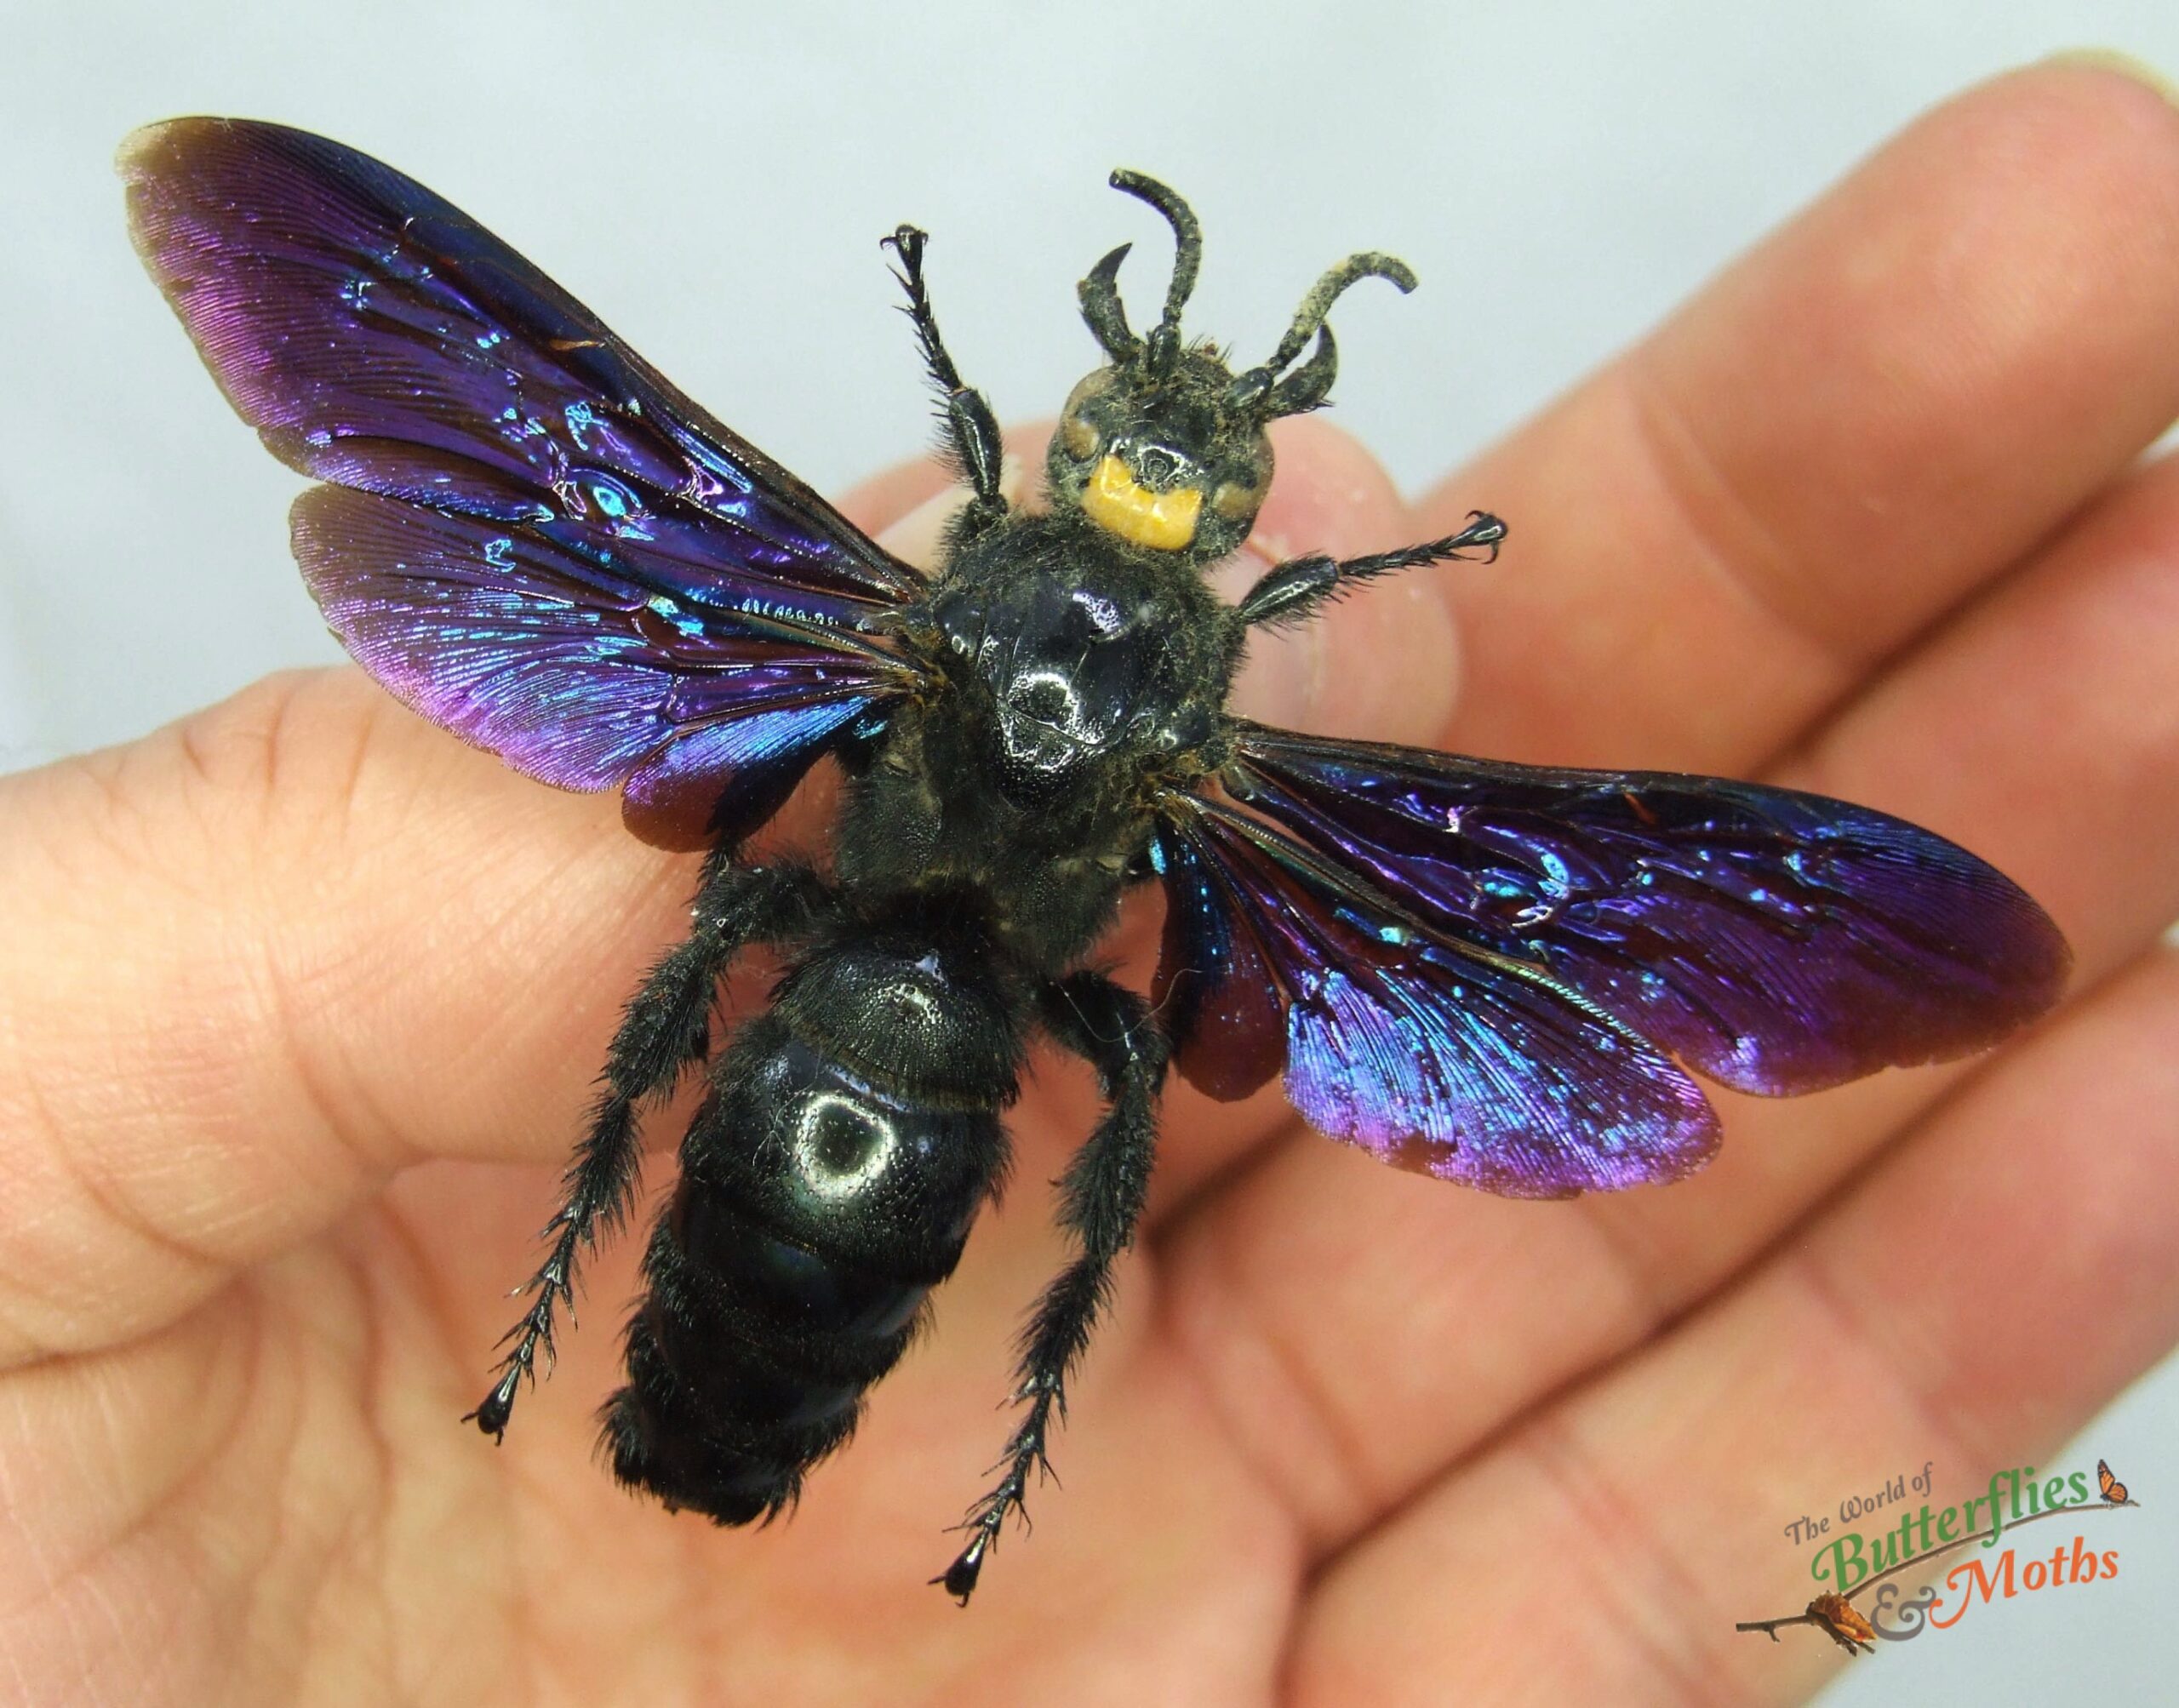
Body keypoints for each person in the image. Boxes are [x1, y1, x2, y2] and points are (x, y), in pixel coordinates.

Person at [3, 58, 2176, 1702]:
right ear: (1229, 554)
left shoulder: (893, 608)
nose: (1169, 465)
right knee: (1117, 1072)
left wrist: (981, 375)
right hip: (967, 1064)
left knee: (724, 937)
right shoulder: (1218, 744)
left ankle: (568, 1292)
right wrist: (1380, 574)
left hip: (833, 984)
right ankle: (1002, 1422)